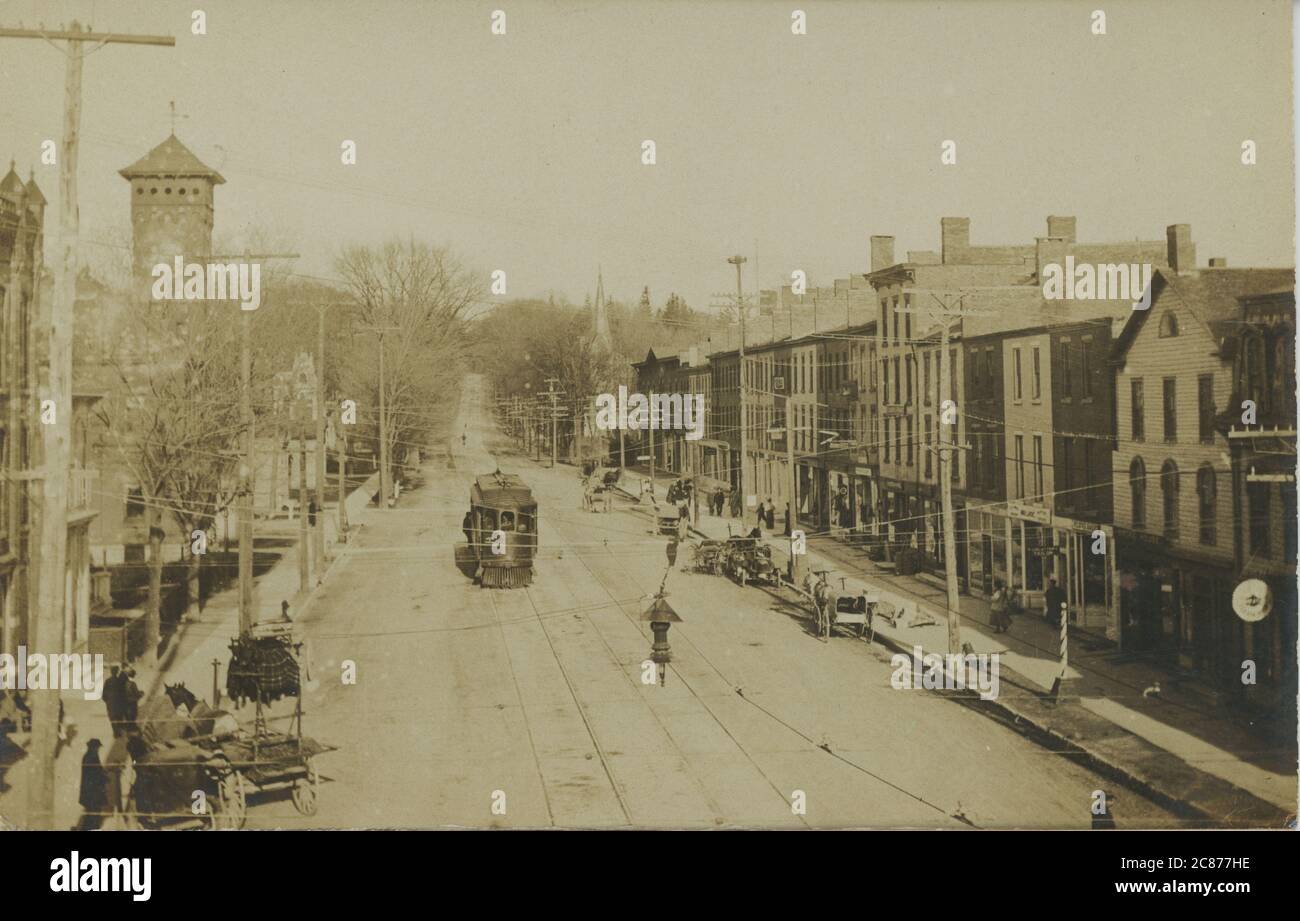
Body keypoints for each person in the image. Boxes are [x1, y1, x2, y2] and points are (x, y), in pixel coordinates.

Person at [76, 739, 109, 831]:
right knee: (93, 814)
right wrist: (105, 777)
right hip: (92, 792)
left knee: (92, 814)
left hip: (90, 792)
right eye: (97, 747)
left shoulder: (89, 756)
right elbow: (96, 773)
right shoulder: (92, 757)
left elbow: (97, 771)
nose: (97, 749)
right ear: (93, 747)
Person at [102, 665, 125, 738]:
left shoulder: (107, 681)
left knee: (112, 717)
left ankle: (115, 732)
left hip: (110, 703)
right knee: (119, 717)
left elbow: (104, 694)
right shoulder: (120, 681)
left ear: (111, 672)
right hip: (118, 703)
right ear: (117, 672)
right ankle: (119, 731)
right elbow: (123, 693)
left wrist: (107, 701)